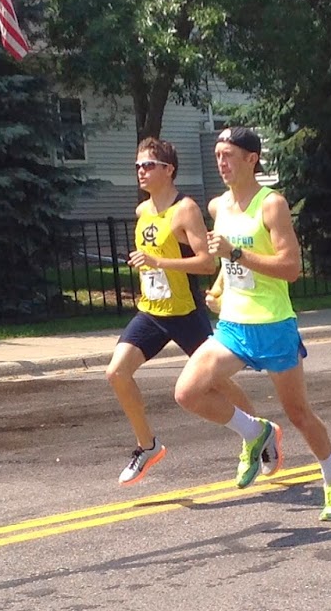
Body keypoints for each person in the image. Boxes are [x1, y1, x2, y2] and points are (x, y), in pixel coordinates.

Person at [173, 127, 331, 522]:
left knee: (299, 413)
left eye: (229, 154)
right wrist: (219, 286)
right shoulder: (218, 206)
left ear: (252, 159)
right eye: (218, 154)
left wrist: (238, 253)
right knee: (187, 392)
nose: (221, 161)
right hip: (233, 324)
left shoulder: (272, 205)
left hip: (272, 324)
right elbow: (226, 262)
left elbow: (290, 269)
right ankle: (255, 433)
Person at [108, 138, 267, 485]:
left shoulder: (186, 210)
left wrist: (158, 261)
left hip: (185, 312)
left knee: (218, 383)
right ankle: (147, 445)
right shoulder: (142, 211)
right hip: (152, 312)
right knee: (116, 373)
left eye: (148, 165)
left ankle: (259, 435)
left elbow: (207, 263)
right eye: (137, 166)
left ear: (169, 170)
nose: (141, 172)